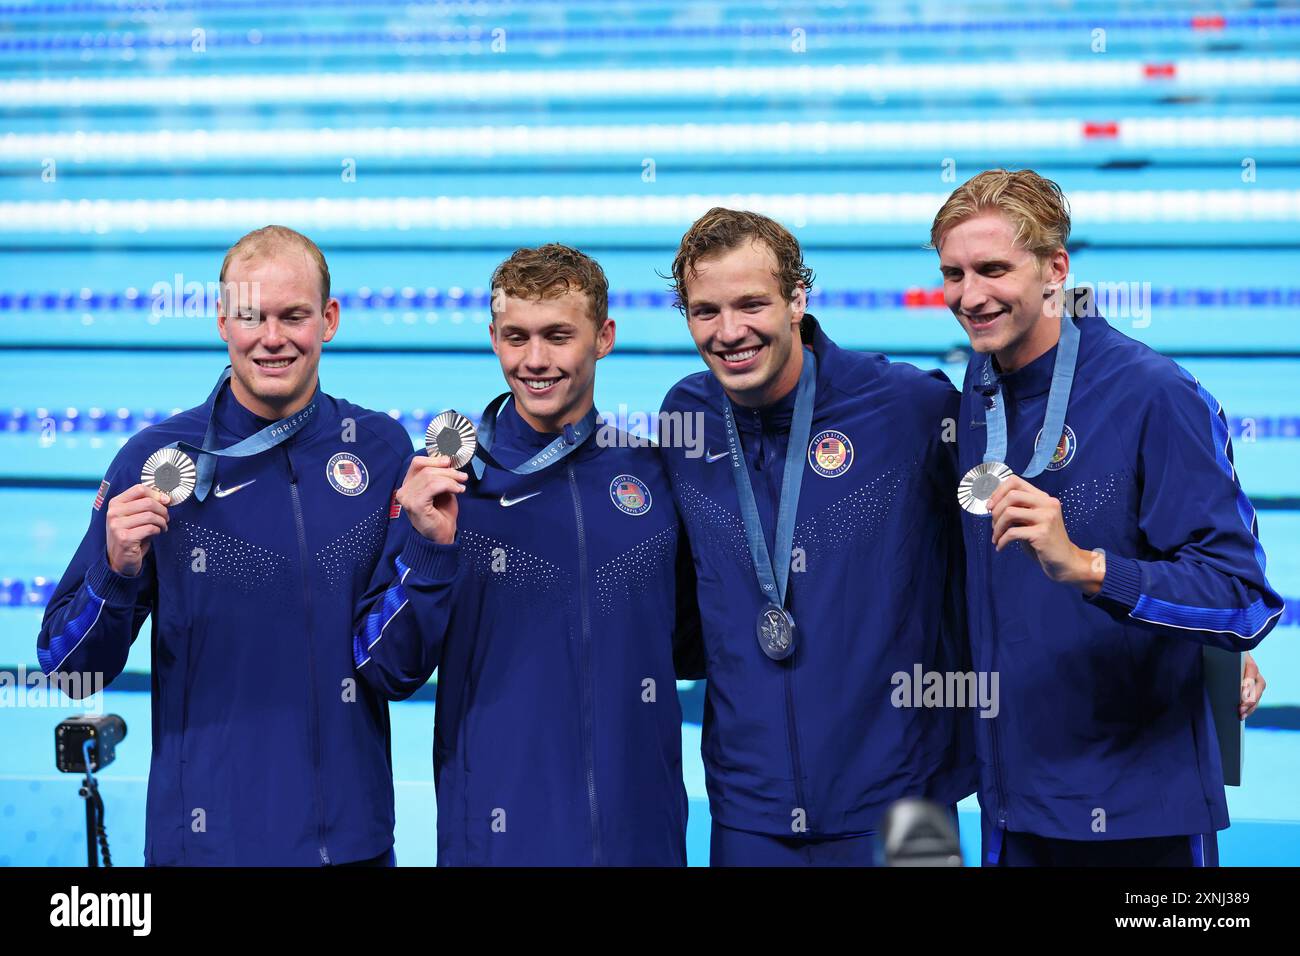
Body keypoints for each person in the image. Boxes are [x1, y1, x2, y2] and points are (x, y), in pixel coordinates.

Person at [934, 168, 1281, 866]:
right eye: (954, 273)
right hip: (1012, 803)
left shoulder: (1154, 394)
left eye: (993, 269)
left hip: (1138, 809)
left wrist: (1091, 568)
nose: (970, 296)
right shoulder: (977, 388)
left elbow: (1243, 598)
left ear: (1054, 269)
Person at [38, 226, 411, 866]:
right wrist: (116, 574)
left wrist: (435, 553)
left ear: (329, 320)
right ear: (221, 322)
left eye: (293, 315)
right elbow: (71, 672)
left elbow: (400, 665)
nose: (272, 338)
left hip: (350, 847)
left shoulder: (379, 451)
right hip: (207, 850)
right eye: (251, 316)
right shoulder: (155, 462)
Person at [353, 244, 699, 866]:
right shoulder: (447, 486)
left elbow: (693, 644)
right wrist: (430, 551)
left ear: (604, 337)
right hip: (500, 841)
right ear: (493, 338)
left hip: (640, 840)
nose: (535, 360)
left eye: (558, 336)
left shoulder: (652, 474)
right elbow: (387, 668)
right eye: (516, 337)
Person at [658, 208, 976, 866]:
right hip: (750, 807)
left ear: (798, 298)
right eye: (705, 312)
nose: (730, 332)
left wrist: (1204, 652)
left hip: (903, 797)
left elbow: (1032, 536)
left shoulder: (906, 408)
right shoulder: (686, 419)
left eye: (752, 304)